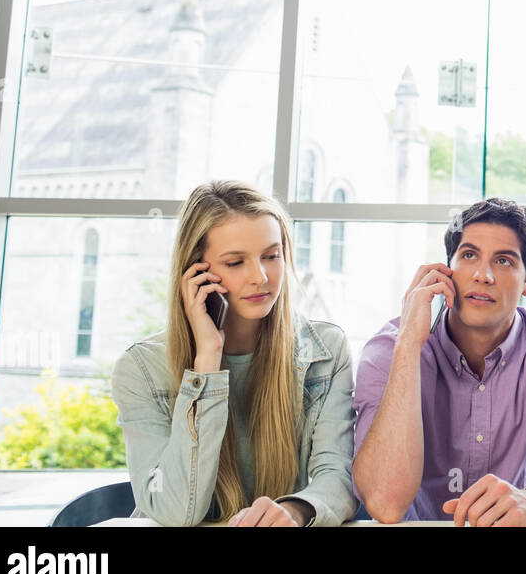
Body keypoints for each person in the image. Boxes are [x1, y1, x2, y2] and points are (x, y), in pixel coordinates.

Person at [353, 197, 526, 525]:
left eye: (504, 261)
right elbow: (384, 503)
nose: (483, 275)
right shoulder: (389, 348)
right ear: (446, 269)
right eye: (468, 255)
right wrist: (409, 345)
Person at [111, 180, 357, 527]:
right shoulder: (141, 370)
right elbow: (174, 511)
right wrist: (207, 361)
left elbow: (337, 475)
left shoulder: (326, 352)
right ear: (196, 273)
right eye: (235, 262)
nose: (260, 277)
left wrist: (295, 511)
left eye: (271, 256)